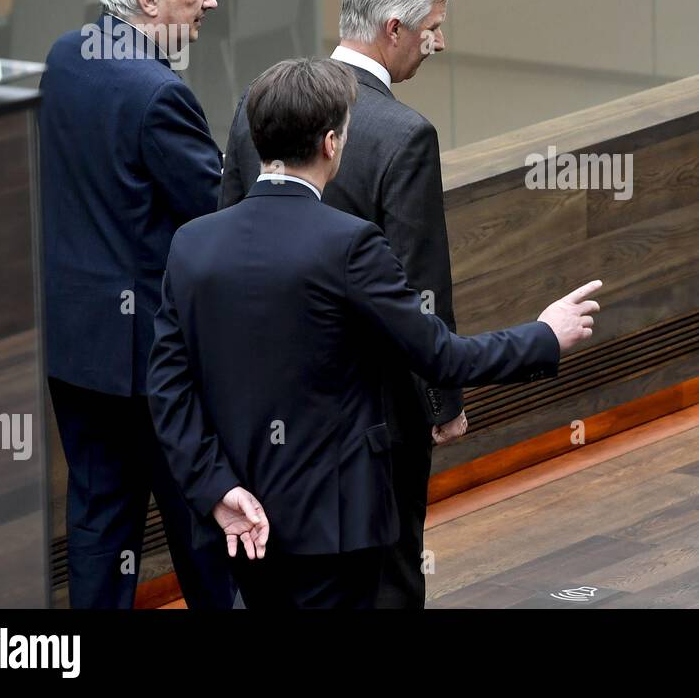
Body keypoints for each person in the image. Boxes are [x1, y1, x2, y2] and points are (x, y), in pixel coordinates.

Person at [148, 57, 601, 608]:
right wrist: (545, 335)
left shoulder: (191, 244)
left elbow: (168, 387)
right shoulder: (349, 244)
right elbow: (438, 355)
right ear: (332, 143)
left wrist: (215, 489)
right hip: (334, 523)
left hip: (236, 517)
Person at [220, 0, 464, 607]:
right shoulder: (403, 134)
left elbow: (229, 233)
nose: (435, 45)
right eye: (432, 30)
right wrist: (444, 402)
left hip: (262, 408)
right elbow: (419, 287)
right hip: (370, 424)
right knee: (385, 580)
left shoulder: (258, 102)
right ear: (393, 29)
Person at [39, 0, 237, 608]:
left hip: (74, 346)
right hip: (152, 360)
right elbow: (213, 213)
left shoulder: (66, 57)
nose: (209, 2)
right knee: (200, 516)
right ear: (150, 2)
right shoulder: (159, 94)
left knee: (99, 517)